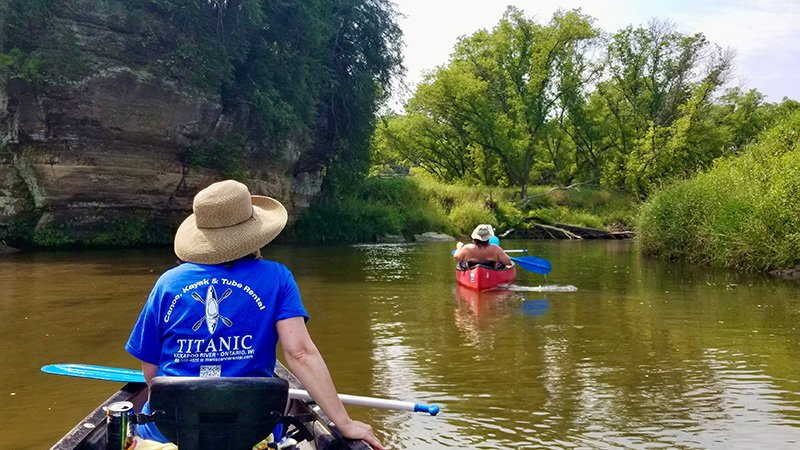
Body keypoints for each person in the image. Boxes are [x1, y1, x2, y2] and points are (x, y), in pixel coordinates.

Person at [125, 180, 384, 450]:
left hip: (169, 435)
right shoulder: (278, 278)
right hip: (252, 434)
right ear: (254, 232)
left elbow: (151, 372)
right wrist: (343, 422)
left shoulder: (168, 283)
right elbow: (300, 354)